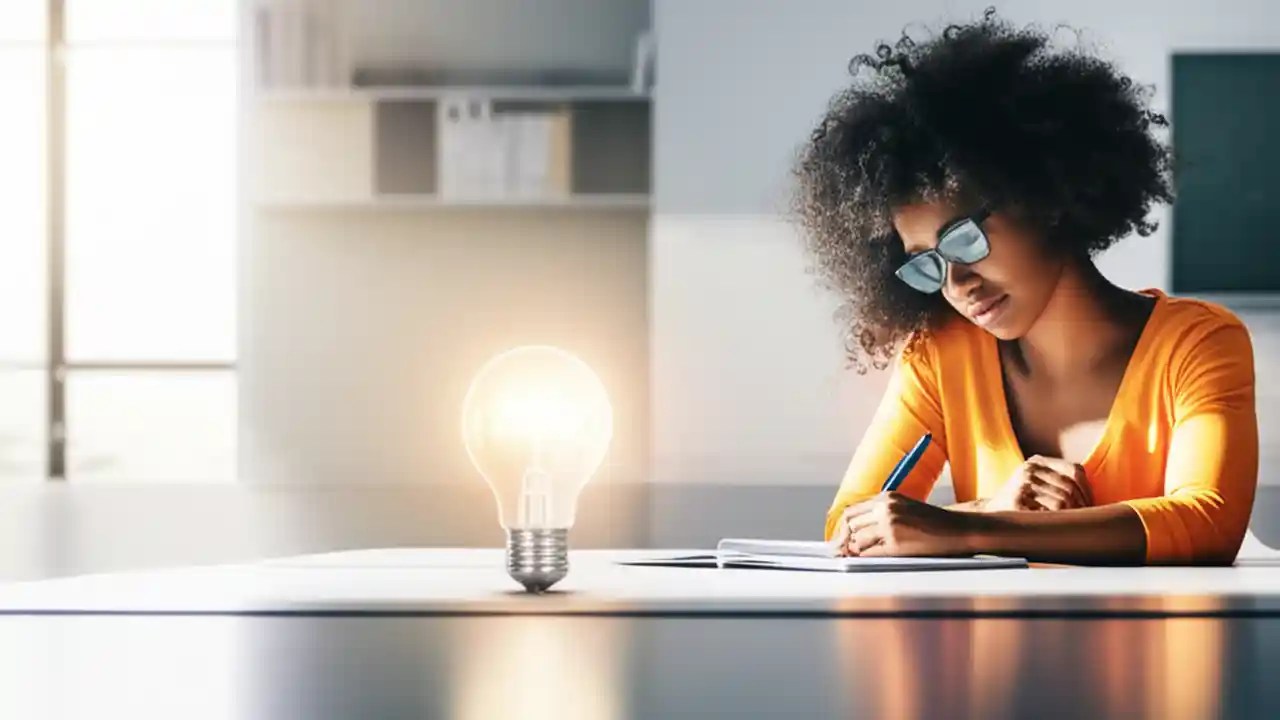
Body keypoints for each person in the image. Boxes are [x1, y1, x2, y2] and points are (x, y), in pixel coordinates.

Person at [791, 10, 1257, 565]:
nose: (956, 283)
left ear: (1043, 198)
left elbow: (1206, 522)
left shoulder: (1198, 345)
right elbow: (847, 525)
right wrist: (990, 509)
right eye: (927, 264)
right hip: (998, 651)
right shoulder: (939, 358)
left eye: (962, 239)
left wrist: (976, 533)